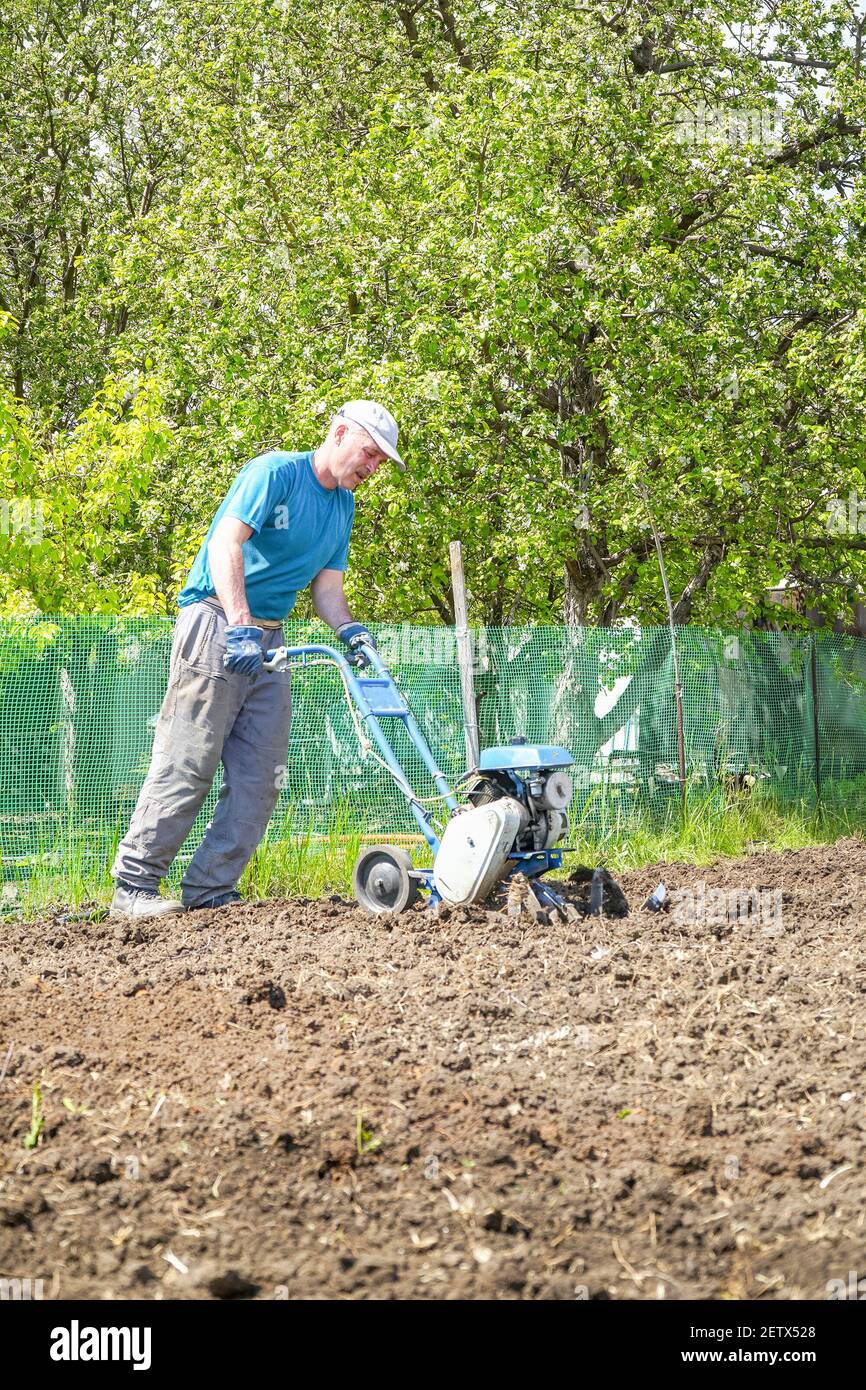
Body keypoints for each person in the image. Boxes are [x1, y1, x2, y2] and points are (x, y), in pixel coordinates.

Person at [110, 401, 404, 918]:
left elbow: (327, 590)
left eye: (380, 461)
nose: (372, 467)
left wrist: (352, 630)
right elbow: (227, 542)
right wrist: (240, 621)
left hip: (271, 640)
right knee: (189, 760)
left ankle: (210, 889)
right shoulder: (276, 473)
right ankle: (133, 887)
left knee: (261, 776)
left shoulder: (343, 507)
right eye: (370, 453)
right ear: (339, 434)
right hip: (216, 621)